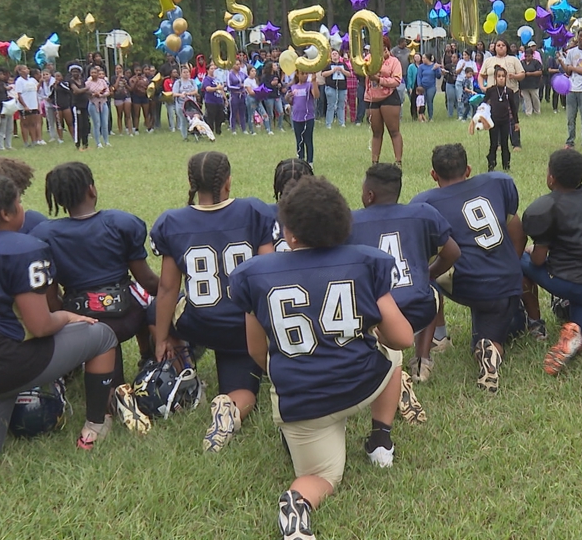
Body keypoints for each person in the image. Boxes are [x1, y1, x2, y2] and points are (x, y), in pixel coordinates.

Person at [228, 176, 414, 540]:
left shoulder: (254, 274)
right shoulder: (366, 262)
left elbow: (256, 350)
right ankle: (380, 440)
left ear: (290, 234)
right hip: (361, 383)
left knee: (322, 477)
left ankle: (297, 504)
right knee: (390, 352)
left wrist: (293, 372)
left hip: (303, 402)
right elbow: (403, 337)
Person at [0, 174, 120, 468]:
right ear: (5, 213)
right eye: (19, 202)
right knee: (102, 335)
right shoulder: (22, 247)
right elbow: (40, 326)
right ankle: (96, 424)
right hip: (5, 365)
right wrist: (67, 315)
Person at [150, 151, 276, 451]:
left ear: (191, 182)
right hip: (246, 327)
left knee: (153, 307)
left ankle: (181, 359)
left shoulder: (172, 221)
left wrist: (162, 337)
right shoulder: (254, 211)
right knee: (242, 391)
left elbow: (167, 289)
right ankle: (229, 409)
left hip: (202, 324)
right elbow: (268, 277)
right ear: (228, 182)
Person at [31, 162, 159, 408]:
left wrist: (67, 323)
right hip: (126, 315)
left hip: (81, 318)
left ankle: (107, 383)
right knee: (149, 298)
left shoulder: (45, 235)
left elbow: (52, 299)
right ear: (92, 190)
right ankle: (148, 356)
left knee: (111, 384)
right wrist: (172, 295)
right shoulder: (119, 223)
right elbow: (148, 281)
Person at [410, 144, 526, 393]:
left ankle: (438, 337)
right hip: (506, 283)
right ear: (469, 169)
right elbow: (516, 228)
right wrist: (512, 265)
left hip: (466, 283)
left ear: (433, 174)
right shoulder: (498, 181)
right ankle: (490, 349)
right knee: (491, 338)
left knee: (425, 267)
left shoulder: (425, 203)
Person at [348, 164, 460, 390]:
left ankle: (374, 362)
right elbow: (453, 252)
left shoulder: (350, 221)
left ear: (369, 195)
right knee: (432, 291)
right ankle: (422, 359)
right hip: (415, 308)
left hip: (371, 313)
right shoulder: (422, 213)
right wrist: (428, 275)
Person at [520, 150, 582, 375]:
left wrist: (530, 250)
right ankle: (575, 341)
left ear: (551, 177)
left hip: (562, 279)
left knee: (517, 258)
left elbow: (539, 259)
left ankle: (535, 323)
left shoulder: (545, 207)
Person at [365, 36, 405, 166]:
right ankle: (374, 162)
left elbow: (397, 81)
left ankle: (398, 161)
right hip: (372, 97)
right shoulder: (368, 60)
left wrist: (379, 79)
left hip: (389, 98)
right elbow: (361, 69)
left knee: (394, 131)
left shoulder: (394, 61)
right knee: (376, 132)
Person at [562, 29, 582, 149]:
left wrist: (572, 68)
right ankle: (570, 140)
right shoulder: (571, 52)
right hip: (571, 88)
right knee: (571, 117)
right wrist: (561, 62)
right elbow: (567, 70)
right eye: (580, 36)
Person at [484, 66, 519, 172]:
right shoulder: (491, 90)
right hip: (493, 121)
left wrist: (516, 122)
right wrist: (482, 117)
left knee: (505, 143)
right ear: (495, 77)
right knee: (493, 144)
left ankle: (506, 165)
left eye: (503, 76)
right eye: (499, 76)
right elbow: (484, 103)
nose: (501, 78)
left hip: (505, 121)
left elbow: (513, 108)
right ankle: (491, 164)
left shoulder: (509, 91)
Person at [289, 74, 318, 165]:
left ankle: (310, 162)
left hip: (308, 117)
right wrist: (289, 97)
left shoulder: (309, 85)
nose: (305, 75)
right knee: (299, 140)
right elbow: (291, 101)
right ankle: (300, 160)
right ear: (297, 74)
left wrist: (314, 82)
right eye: (303, 73)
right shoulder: (293, 86)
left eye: (306, 73)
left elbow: (316, 95)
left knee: (308, 140)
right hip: (296, 117)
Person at [14, 65, 41, 148]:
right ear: (20, 71)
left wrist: (37, 104)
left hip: (33, 105)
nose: (27, 70)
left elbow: (35, 91)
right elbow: (19, 95)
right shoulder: (19, 81)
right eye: (24, 69)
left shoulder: (31, 80)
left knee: (33, 123)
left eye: (27, 68)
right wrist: (25, 105)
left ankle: (34, 140)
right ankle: (26, 142)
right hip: (25, 106)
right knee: (25, 124)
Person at [322, 49, 349, 128]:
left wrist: (342, 70)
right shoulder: (328, 65)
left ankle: (342, 123)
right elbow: (323, 74)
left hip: (342, 87)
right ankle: (328, 123)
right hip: (331, 87)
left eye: (336, 53)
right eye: (333, 54)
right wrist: (332, 71)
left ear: (338, 55)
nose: (334, 55)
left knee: (341, 105)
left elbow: (349, 74)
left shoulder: (343, 64)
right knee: (330, 105)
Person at [86, 66, 111, 149]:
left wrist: (101, 95)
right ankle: (98, 142)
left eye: (95, 72)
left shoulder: (102, 81)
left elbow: (108, 91)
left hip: (103, 103)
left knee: (105, 123)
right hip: (93, 104)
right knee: (97, 123)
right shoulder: (88, 83)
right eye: (92, 73)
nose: (94, 74)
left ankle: (106, 141)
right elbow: (86, 93)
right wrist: (93, 94)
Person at [173, 66, 198, 140]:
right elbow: (174, 93)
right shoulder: (178, 82)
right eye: (184, 72)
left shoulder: (192, 81)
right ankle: (185, 136)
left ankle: (196, 133)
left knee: (194, 118)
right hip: (181, 104)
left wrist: (189, 93)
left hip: (191, 103)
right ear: (181, 74)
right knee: (183, 120)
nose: (186, 74)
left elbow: (196, 91)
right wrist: (181, 95)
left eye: (187, 72)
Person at [519, 42, 544, 117]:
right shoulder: (521, 63)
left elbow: (540, 72)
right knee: (526, 99)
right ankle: (528, 112)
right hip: (524, 84)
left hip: (533, 84)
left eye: (529, 56)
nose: (527, 58)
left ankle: (537, 111)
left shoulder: (536, 62)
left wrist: (530, 74)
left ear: (532, 55)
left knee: (535, 98)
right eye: (526, 56)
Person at [416, 54, 442, 121]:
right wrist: (419, 86)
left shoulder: (434, 65)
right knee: (422, 102)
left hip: (431, 86)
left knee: (430, 101)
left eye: (424, 58)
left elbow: (438, 76)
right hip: (423, 86)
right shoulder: (421, 67)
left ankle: (431, 117)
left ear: (428, 58)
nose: (422, 59)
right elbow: (419, 76)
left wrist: (436, 69)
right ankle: (422, 117)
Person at [202, 68, 227, 135]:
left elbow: (222, 90)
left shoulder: (217, 79)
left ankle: (218, 131)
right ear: (207, 70)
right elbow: (208, 88)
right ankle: (210, 132)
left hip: (219, 100)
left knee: (220, 116)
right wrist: (216, 88)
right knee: (211, 117)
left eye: (214, 69)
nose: (213, 70)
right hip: (210, 101)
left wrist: (225, 99)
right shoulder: (207, 79)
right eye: (211, 69)